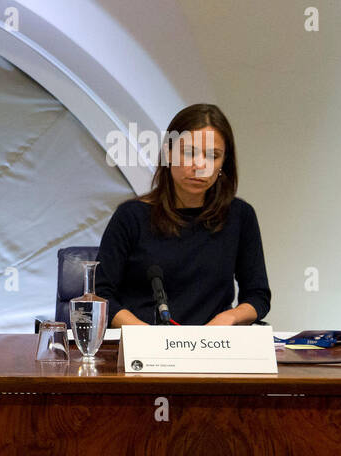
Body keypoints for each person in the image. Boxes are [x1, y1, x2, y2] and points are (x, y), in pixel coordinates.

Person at [96, 103, 270, 326]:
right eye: (189, 153)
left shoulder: (240, 216)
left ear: (223, 163)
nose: (199, 166)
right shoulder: (131, 216)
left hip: (212, 348)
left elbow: (258, 296)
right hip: (143, 348)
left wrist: (229, 317)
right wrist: (143, 333)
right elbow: (101, 296)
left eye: (213, 156)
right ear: (168, 154)